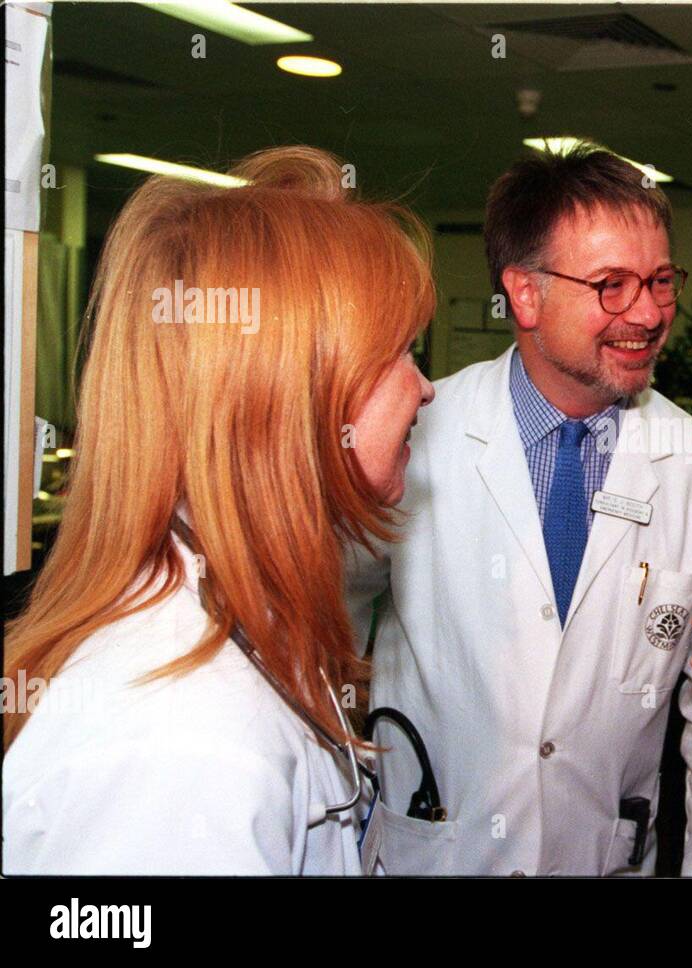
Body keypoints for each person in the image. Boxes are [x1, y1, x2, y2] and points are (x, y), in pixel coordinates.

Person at [2, 146, 437, 874]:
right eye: (399, 352)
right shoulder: (178, 737)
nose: (424, 388)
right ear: (292, 393)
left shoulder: (238, 621)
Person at [346, 143, 692, 876]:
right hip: (438, 853)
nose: (647, 314)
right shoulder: (422, 434)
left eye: (660, 281)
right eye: (611, 285)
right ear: (525, 294)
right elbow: (324, 631)